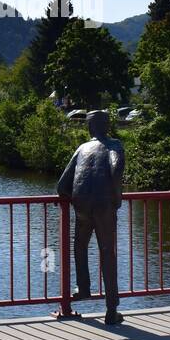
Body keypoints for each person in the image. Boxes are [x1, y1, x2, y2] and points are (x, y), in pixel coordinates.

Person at [57, 109, 125, 325]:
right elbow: (116, 169)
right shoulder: (114, 145)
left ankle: (83, 288)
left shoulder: (82, 148)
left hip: (82, 205)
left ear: (89, 127)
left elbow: (61, 185)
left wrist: (77, 196)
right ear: (107, 126)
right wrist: (116, 197)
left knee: (80, 246)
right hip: (104, 205)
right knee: (107, 253)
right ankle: (111, 310)